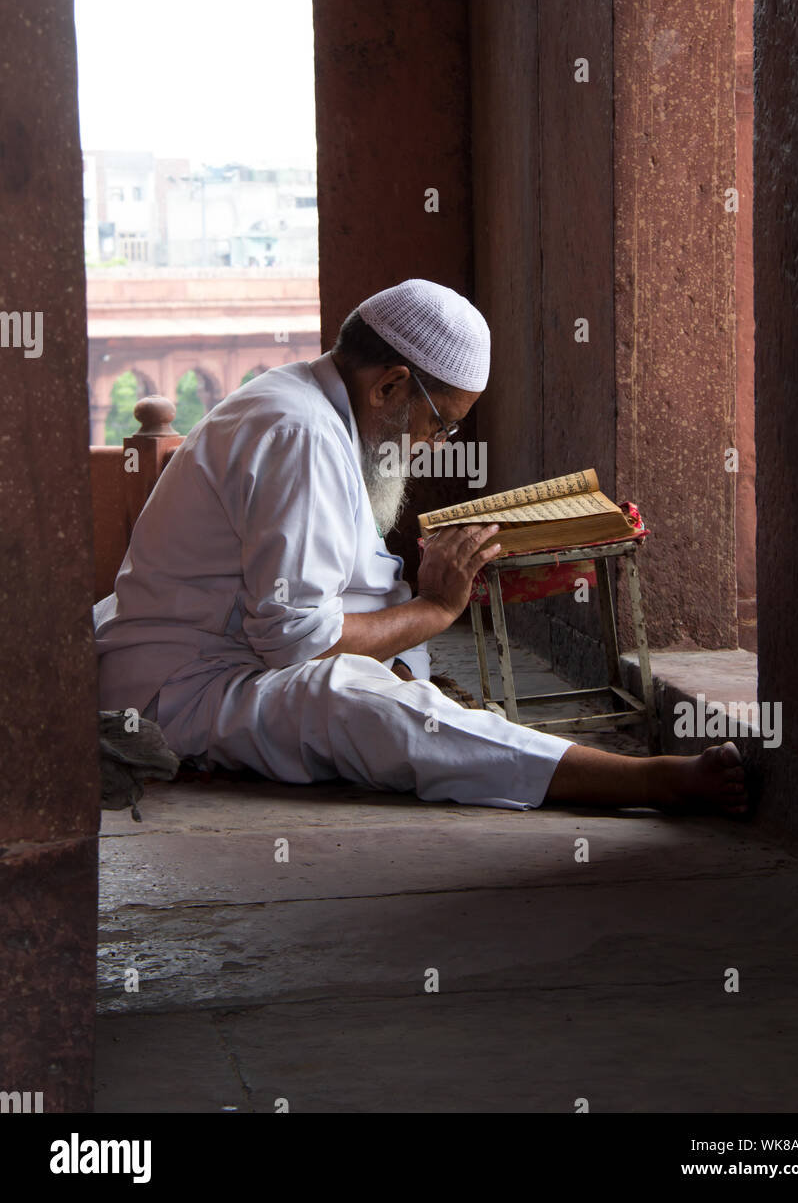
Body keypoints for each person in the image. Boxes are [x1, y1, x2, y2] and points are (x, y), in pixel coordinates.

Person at [93, 279, 747, 815]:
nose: (437, 446)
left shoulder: (315, 409)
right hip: (179, 696)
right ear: (390, 386)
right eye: (444, 422)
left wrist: (411, 640)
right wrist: (436, 609)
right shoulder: (301, 433)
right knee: (362, 705)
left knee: (384, 687)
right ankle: (642, 784)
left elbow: (336, 587)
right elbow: (296, 644)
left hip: (213, 663)